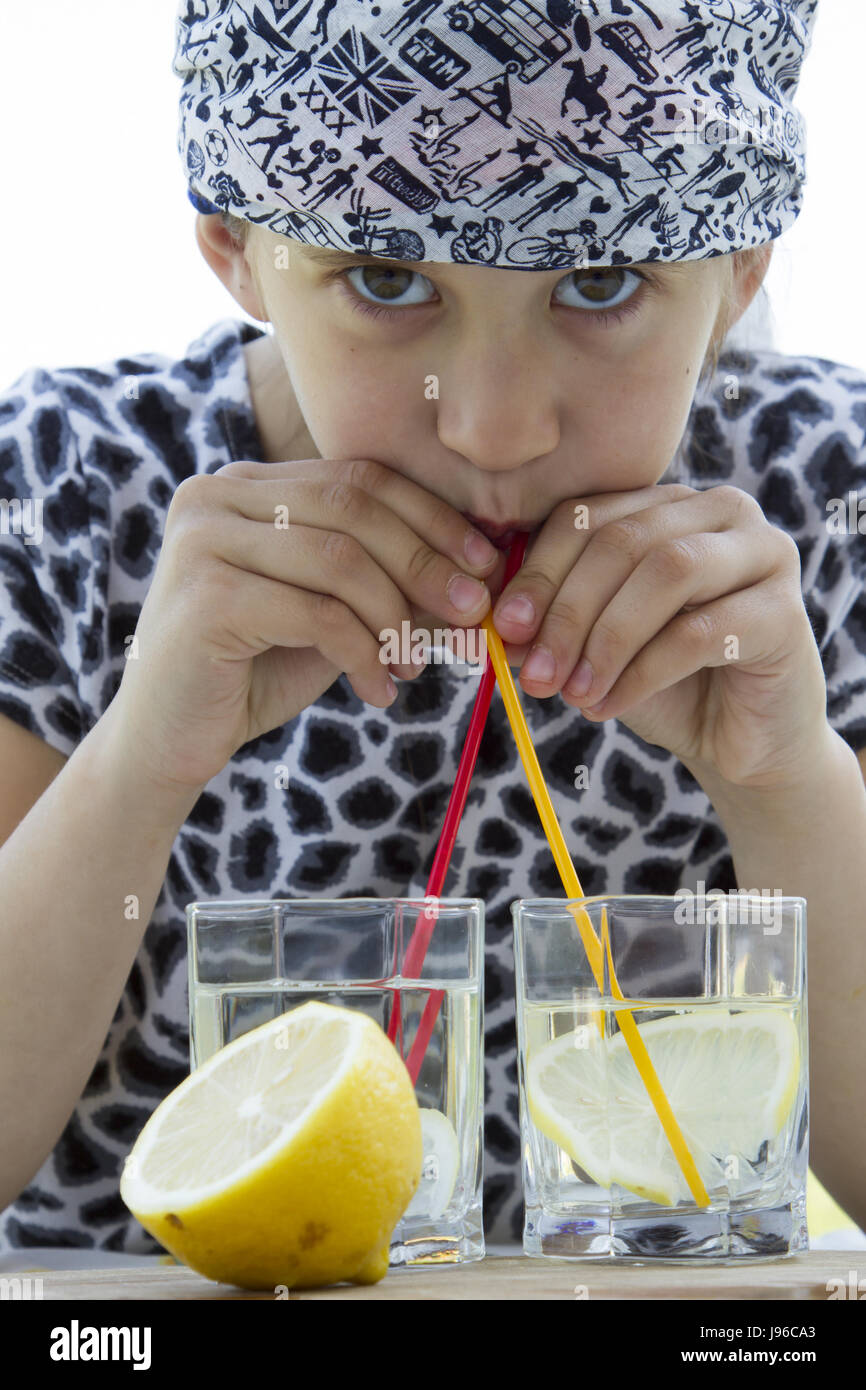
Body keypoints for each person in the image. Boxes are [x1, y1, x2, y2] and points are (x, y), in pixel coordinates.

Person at [0, 0, 864, 1260]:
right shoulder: (71, 491)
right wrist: (138, 758)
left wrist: (786, 781)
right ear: (235, 246)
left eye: (600, 280)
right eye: (387, 278)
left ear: (737, 274)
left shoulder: (821, 508)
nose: (493, 427)